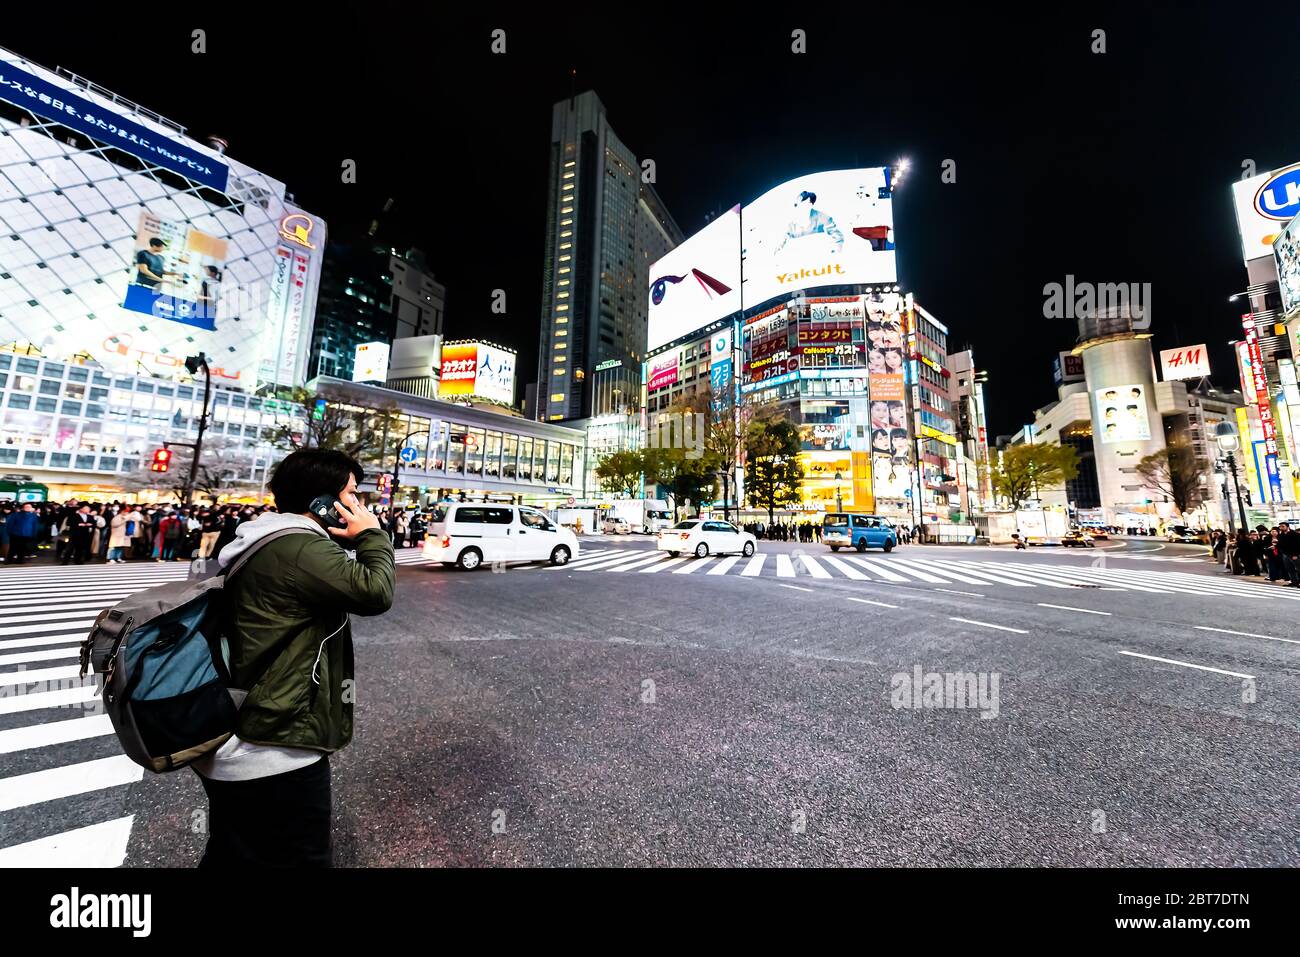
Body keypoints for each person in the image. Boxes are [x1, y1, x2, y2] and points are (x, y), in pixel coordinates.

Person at [191, 448, 394, 868]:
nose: (359, 505)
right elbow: (376, 592)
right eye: (353, 495)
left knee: (234, 855)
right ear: (323, 503)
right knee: (302, 858)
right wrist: (371, 534)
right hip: (277, 743)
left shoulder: (267, 539)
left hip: (246, 734)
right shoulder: (298, 547)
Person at [1278, 522, 1300, 586]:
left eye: (1283, 526)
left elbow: (1298, 545)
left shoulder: (1295, 534)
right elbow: (1280, 545)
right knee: (1290, 569)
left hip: (1294, 554)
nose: (1281, 528)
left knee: (1299, 569)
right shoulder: (1280, 535)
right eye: (1280, 526)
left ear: (1287, 527)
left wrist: (1296, 554)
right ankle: (1294, 582)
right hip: (1285, 554)